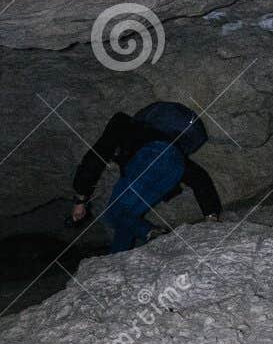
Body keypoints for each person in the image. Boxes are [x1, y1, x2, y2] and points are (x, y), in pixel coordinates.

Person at [70, 100, 221, 254]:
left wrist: (81, 199)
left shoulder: (123, 125)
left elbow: (94, 158)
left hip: (149, 157)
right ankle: (117, 257)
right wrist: (211, 215)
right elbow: (199, 176)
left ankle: (156, 235)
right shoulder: (171, 145)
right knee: (128, 217)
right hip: (175, 168)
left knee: (113, 213)